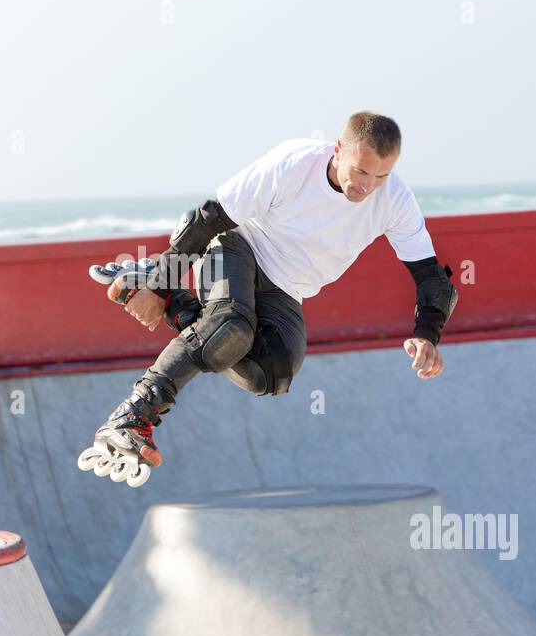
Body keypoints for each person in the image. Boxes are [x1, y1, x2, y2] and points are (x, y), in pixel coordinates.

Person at [83, 111, 458, 483]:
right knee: (230, 329)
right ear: (339, 150)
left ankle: (180, 308)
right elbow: (208, 218)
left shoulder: (395, 199)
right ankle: (133, 414)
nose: (367, 187)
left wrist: (427, 334)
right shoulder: (294, 164)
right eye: (360, 172)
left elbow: (431, 278)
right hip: (234, 245)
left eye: (381, 176)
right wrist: (158, 285)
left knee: (269, 373)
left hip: (284, 287)